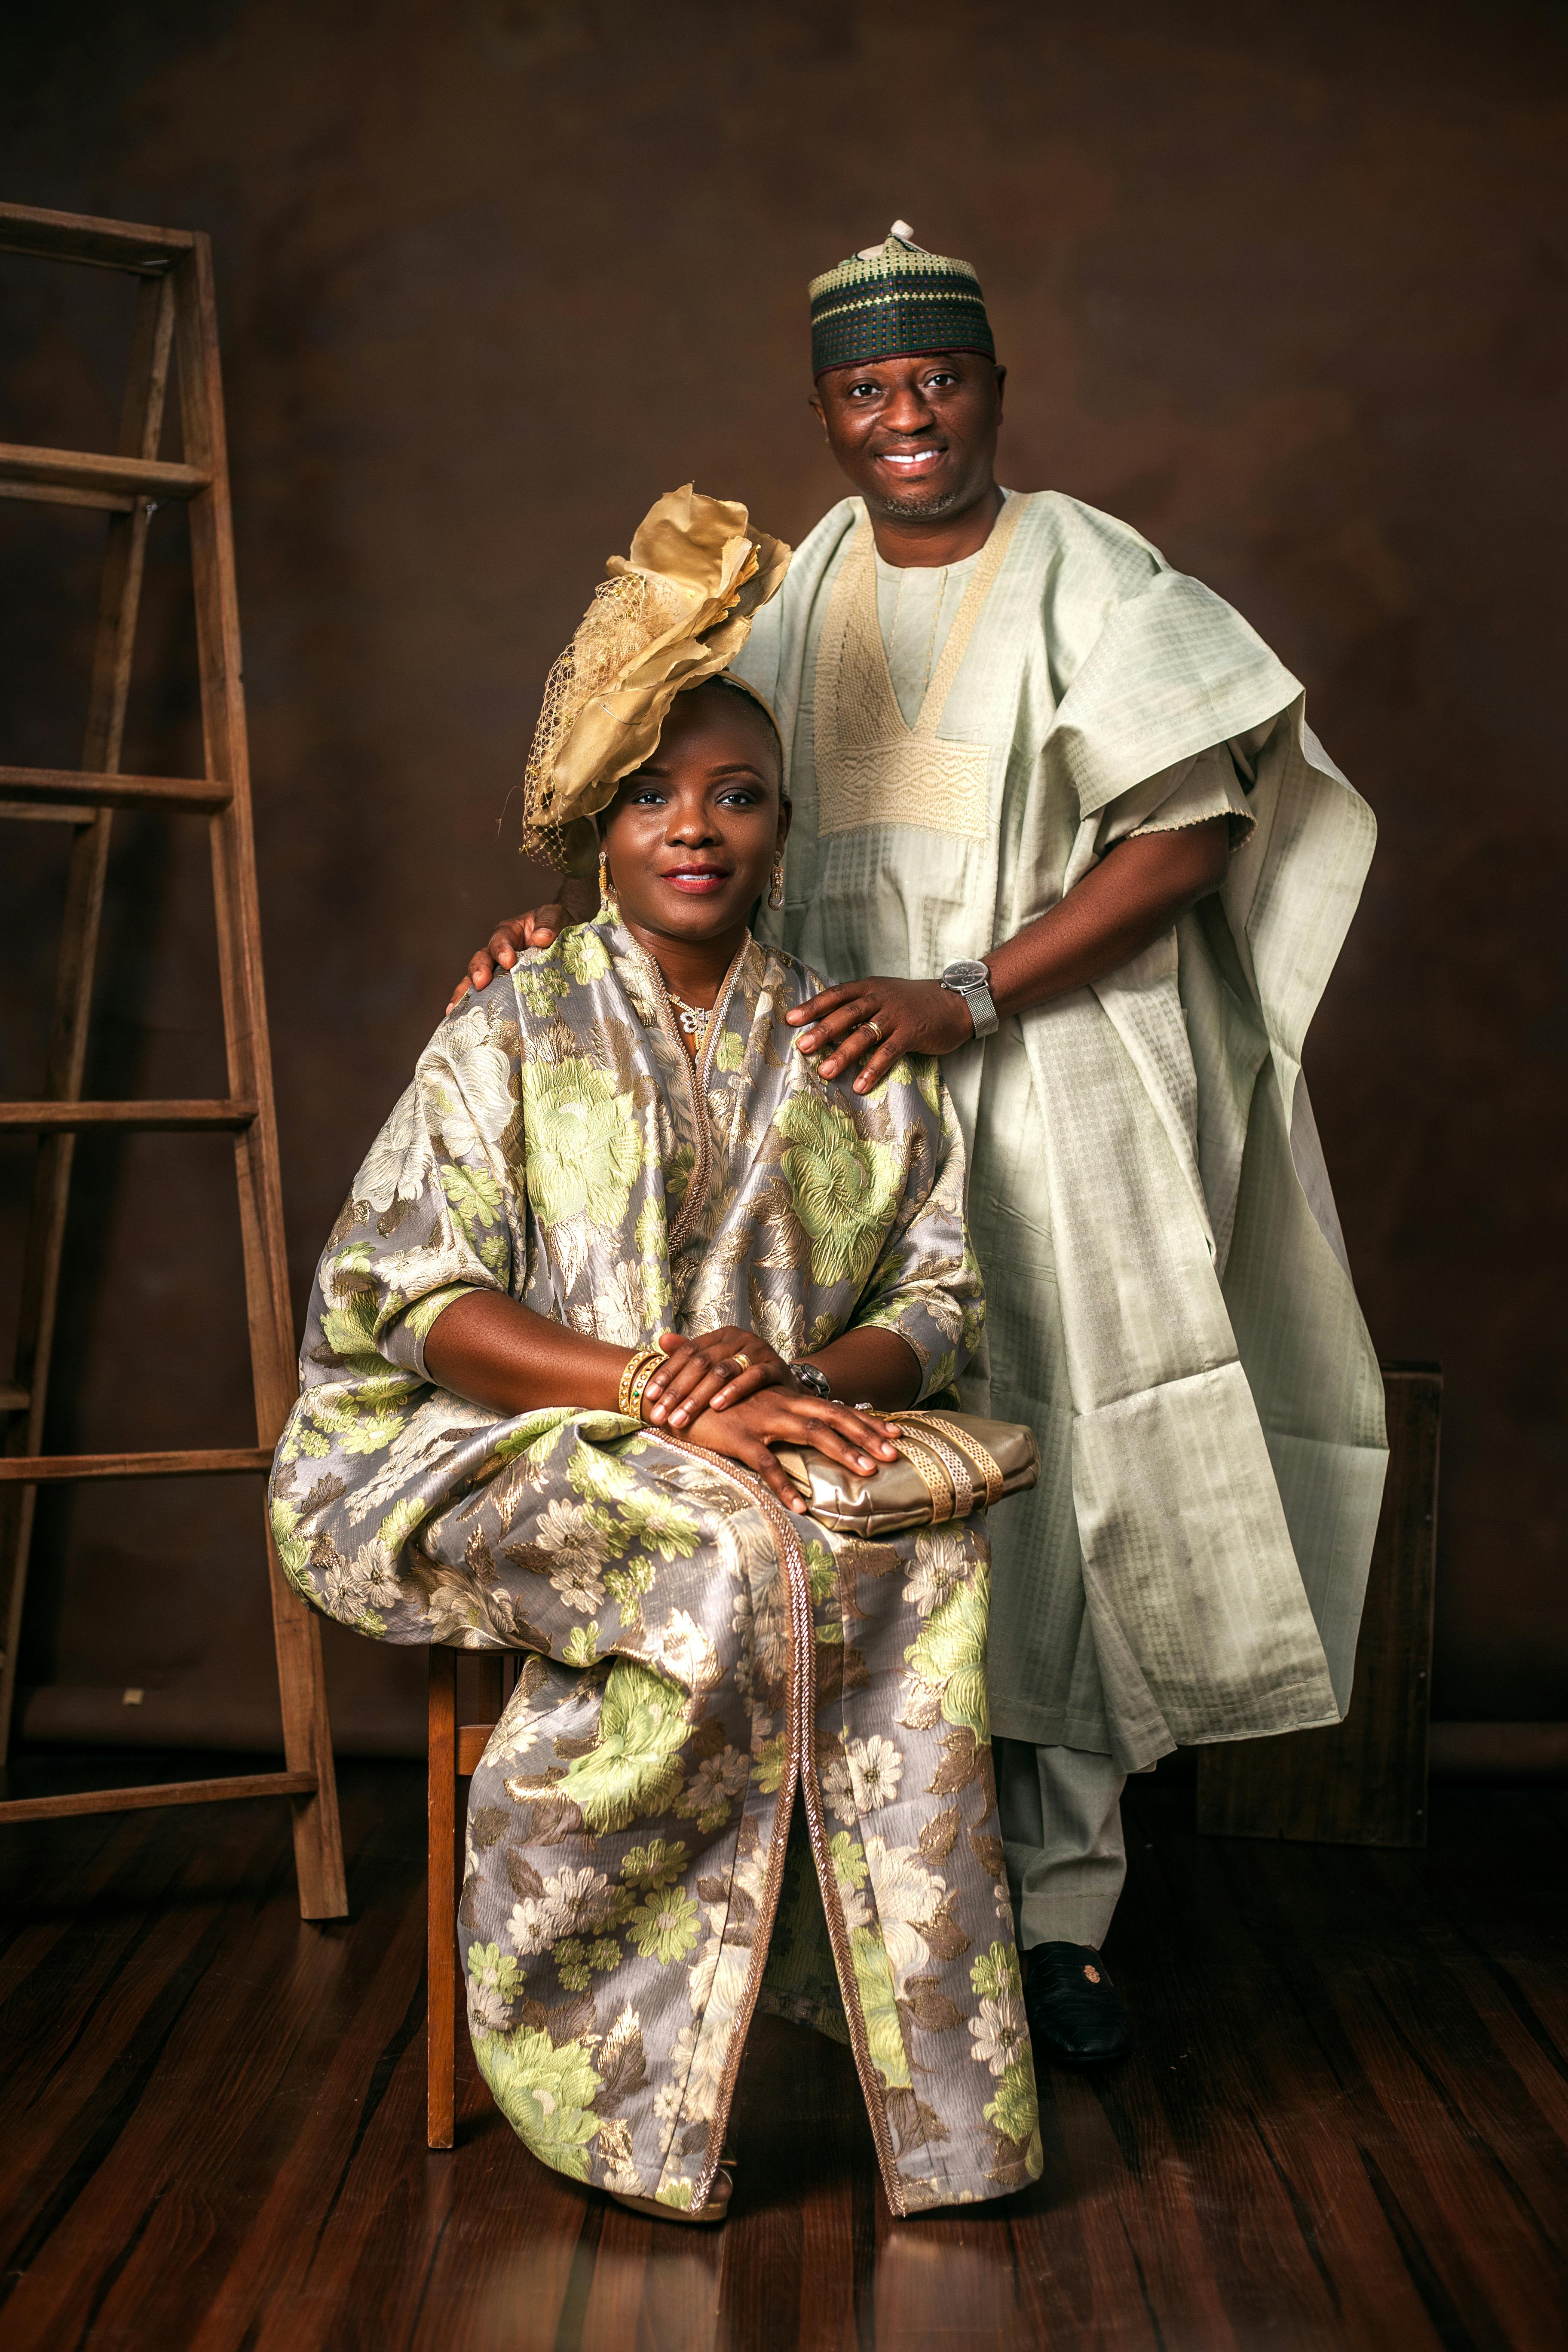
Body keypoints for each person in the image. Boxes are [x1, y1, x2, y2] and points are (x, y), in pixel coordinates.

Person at [450, 228, 1389, 2076]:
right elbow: (677, 808)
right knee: (843, 1445)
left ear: (993, 391)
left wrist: (963, 993)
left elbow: (1186, 835)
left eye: (937, 379)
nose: (907, 417)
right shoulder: (793, 587)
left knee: (1063, 1477)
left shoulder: (1085, 566)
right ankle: (848, 1901)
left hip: (1046, 1069)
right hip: (833, 1079)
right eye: (869, 390)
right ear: (827, 411)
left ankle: (1055, 1927)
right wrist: (547, 946)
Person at [270, 487, 1041, 2224]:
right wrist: (640, 1387)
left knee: (910, 1561)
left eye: (737, 797)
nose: (693, 829)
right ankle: (611, 2072)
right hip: (478, 1441)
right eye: (651, 796)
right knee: (713, 1561)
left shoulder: (849, 1047)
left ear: (781, 832)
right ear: (596, 831)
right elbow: (409, 1302)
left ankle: (939, 2110)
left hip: (759, 1441)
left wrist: (798, 1388)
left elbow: (941, 1302)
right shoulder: (512, 1023)